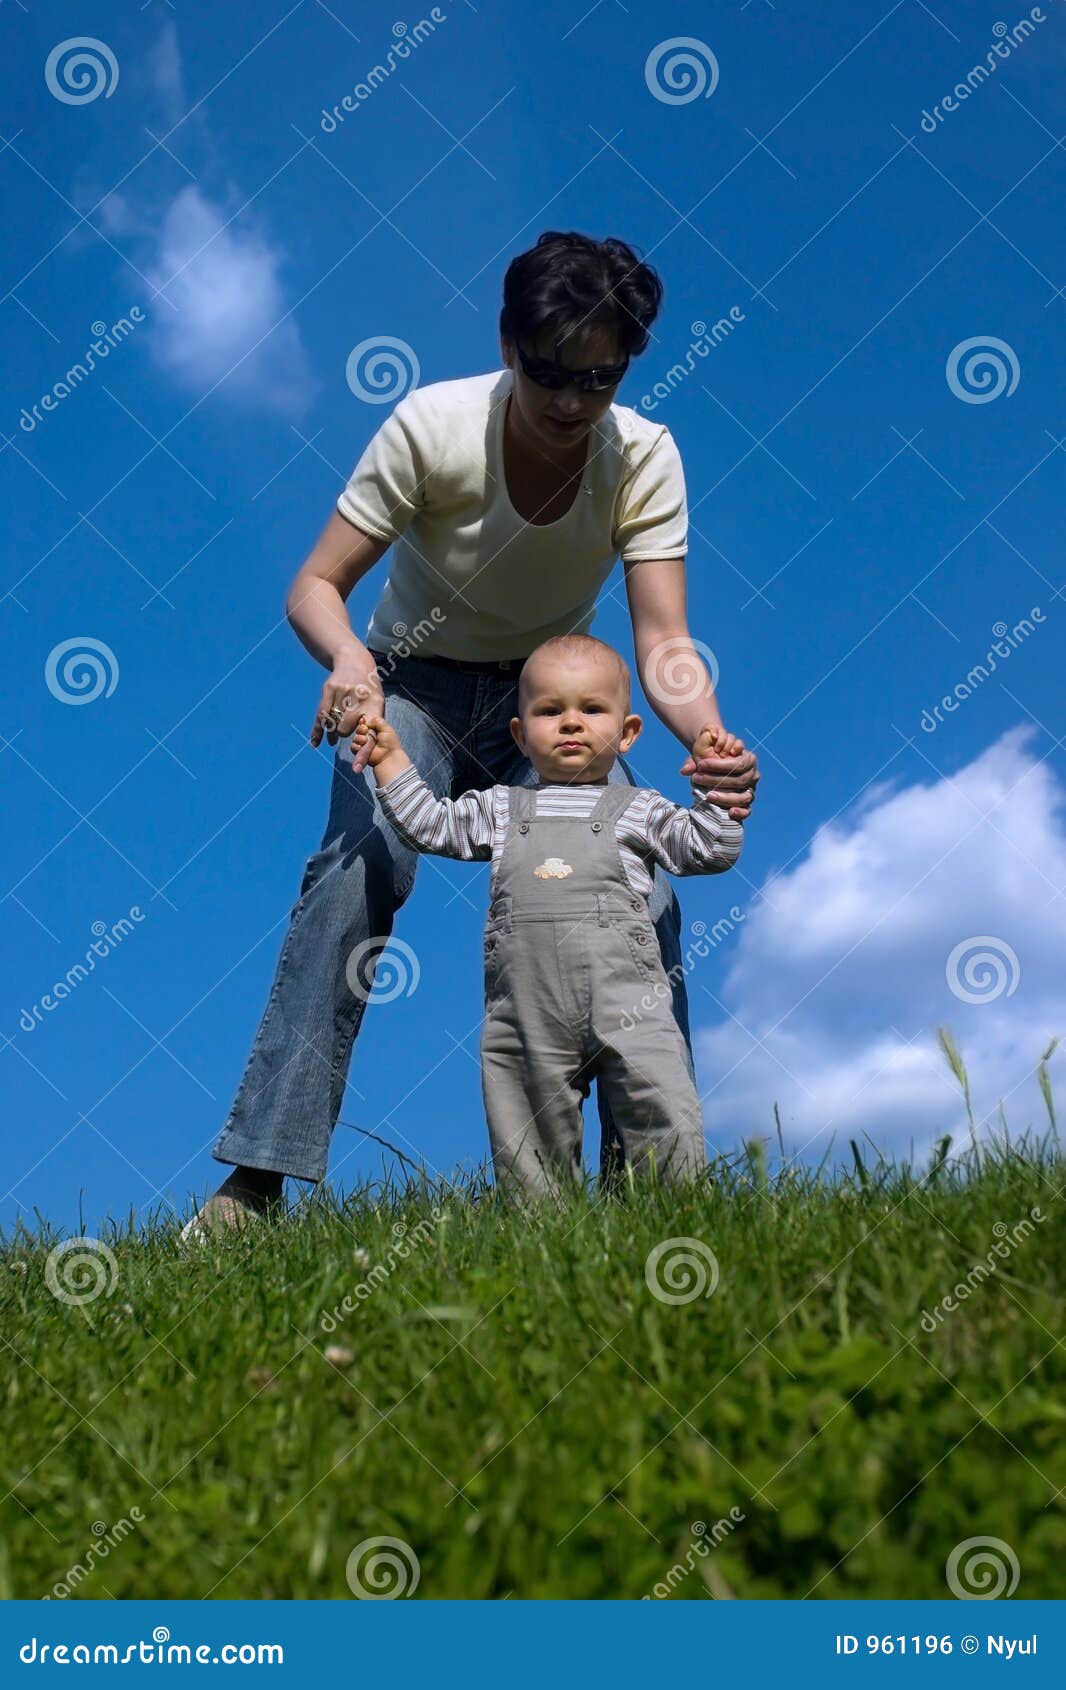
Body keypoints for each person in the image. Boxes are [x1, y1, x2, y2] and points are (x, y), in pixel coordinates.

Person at [180, 229, 760, 1241]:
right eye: (550, 373)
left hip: (551, 702)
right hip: (414, 682)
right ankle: (256, 1185)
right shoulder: (431, 428)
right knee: (358, 866)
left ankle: (644, 1197)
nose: (573, 402)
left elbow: (662, 638)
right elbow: (315, 586)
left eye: (598, 377)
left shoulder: (644, 456)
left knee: (645, 891)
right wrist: (350, 665)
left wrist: (707, 735)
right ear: (507, 344)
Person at [353, 634, 746, 1198]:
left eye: (591, 709)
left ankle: (674, 1214)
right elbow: (429, 825)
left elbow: (708, 849)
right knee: (527, 1135)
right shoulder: (499, 808)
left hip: (629, 1002)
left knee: (663, 1109)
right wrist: (392, 760)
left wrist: (718, 789)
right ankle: (542, 1241)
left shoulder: (640, 808)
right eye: (549, 710)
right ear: (520, 732)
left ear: (628, 733)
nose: (570, 723)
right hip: (527, 1007)